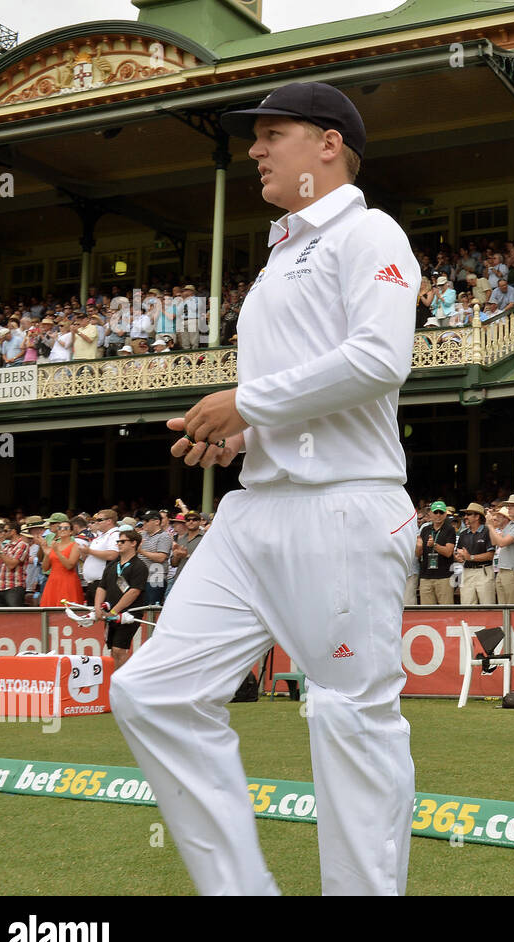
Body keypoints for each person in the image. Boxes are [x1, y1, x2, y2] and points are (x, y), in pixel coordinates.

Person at [109, 82, 422, 896]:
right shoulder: (282, 254)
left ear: (328, 144)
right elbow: (308, 387)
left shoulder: (370, 230)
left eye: (270, 134)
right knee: (151, 692)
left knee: (351, 720)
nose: (254, 150)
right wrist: (245, 432)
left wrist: (244, 402)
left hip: (347, 508)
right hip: (254, 509)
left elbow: (379, 359)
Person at [95, 528, 149, 667]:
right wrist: (97, 608)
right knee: (113, 650)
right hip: (111, 613)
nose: (118, 544)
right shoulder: (112, 565)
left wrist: (114, 611)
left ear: (133, 543)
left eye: (122, 541)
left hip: (129, 614)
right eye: (118, 541)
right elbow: (102, 587)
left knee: (120, 649)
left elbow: (134, 592)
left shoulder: (139, 566)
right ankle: (116, 680)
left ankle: (123, 680)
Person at [487, 495, 514, 605]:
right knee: (502, 609)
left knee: (512, 608)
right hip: (502, 569)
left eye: (512, 506)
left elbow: (502, 543)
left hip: (513, 571)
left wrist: (490, 526)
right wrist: (492, 526)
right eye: (508, 506)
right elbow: (494, 542)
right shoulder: (510, 524)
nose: (508, 508)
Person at [39, 512, 84, 608]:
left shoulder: (75, 545)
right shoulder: (55, 545)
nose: (62, 530)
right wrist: (47, 554)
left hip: (68, 582)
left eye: (66, 528)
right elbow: (45, 568)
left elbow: (69, 566)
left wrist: (57, 552)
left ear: (71, 532)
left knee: (67, 609)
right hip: (53, 581)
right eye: (60, 528)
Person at [455, 502, 496, 604]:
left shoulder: (487, 531)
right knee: (467, 606)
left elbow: (490, 555)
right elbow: (459, 552)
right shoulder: (463, 533)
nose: (466, 517)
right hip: (467, 571)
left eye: (469, 514)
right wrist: (458, 557)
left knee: (487, 606)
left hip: (484, 571)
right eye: (466, 514)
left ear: (477, 516)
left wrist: (470, 557)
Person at [416, 501, 456, 604]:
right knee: (427, 613)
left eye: (441, 512)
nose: (438, 515)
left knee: (446, 612)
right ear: (430, 514)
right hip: (426, 576)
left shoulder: (450, 529)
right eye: (436, 512)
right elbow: (418, 555)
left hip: (444, 577)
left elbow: (448, 552)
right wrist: (419, 547)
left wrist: (434, 545)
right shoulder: (424, 529)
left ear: (445, 514)